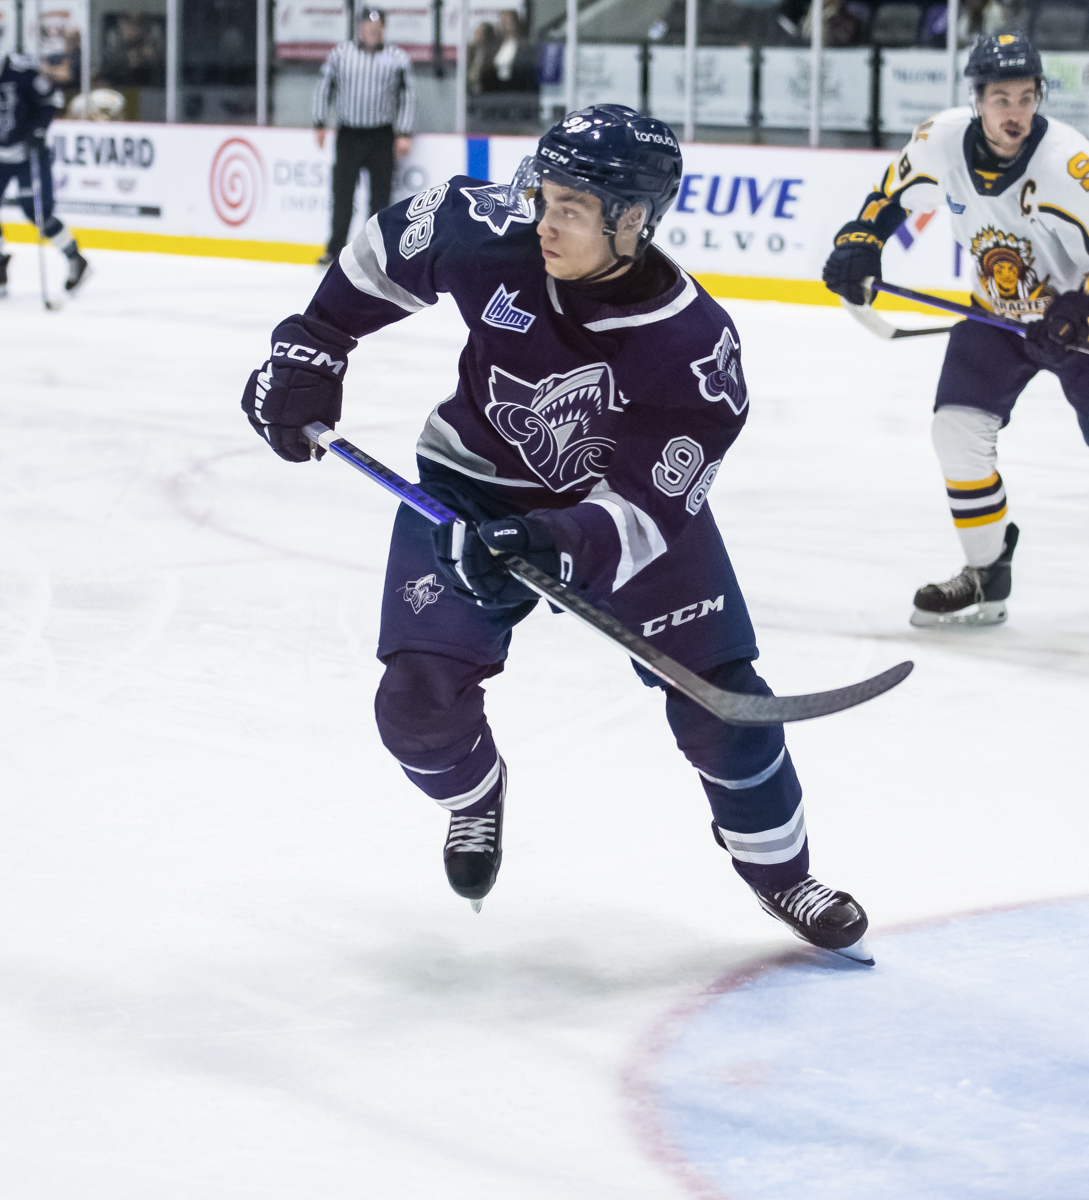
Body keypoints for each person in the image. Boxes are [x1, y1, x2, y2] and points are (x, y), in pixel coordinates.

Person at [237, 104, 875, 964]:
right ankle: (475, 796)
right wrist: (313, 345)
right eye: (545, 195)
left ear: (634, 219)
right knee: (416, 707)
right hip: (471, 483)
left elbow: (650, 505)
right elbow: (390, 245)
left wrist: (555, 542)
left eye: (572, 207)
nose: (545, 220)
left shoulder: (694, 349)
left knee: (724, 706)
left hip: (608, 514)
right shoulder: (494, 235)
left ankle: (783, 875)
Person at [821, 32, 1089, 629]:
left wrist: (1080, 312)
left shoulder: (1072, 167)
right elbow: (889, 197)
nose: (1015, 114)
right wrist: (860, 241)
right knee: (955, 432)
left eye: (1027, 98)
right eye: (1001, 99)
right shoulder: (938, 141)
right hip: (996, 319)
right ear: (976, 100)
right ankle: (986, 571)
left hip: (1087, 329)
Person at [0, 18, 90, 297]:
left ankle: (76, 259)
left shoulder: (20, 71)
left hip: (28, 154)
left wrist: (38, 130)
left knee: (36, 211)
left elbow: (50, 100)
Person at [312, 8, 414, 268]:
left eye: (377, 29)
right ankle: (335, 248)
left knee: (380, 196)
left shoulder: (397, 58)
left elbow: (407, 95)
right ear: (360, 28)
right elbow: (324, 87)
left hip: (381, 134)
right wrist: (319, 122)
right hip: (349, 134)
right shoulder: (340, 55)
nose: (372, 32)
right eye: (369, 28)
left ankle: (374, 252)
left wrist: (404, 131)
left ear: (383, 29)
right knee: (343, 193)